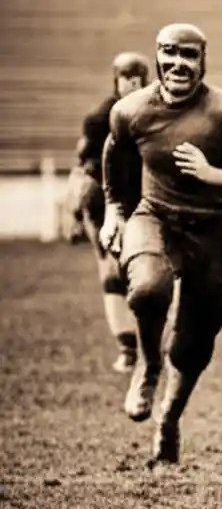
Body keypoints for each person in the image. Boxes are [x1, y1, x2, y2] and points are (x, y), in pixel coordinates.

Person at [100, 23, 222, 465]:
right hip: (155, 217)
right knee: (146, 288)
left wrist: (213, 174)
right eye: (169, 53)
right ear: (157, 56)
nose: (179, 63)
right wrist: (115, 213)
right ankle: (147, 365)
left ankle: (169, 418)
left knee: (194, 345)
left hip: (213, 231)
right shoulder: (131, 111)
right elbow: (115, 159)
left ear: (203, 60)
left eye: (189, 55)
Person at [71, 51, 149, 372]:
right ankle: (127, 347)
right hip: (104, 200)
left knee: (144, 271)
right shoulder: (99, 119)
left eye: (137, 79)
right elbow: (84, 167)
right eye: (125, 78)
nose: (131, 85)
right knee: (111, 273)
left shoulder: (155, 113)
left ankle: (146, 342)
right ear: (115, 81)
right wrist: (77, 212)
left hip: (141, 199)